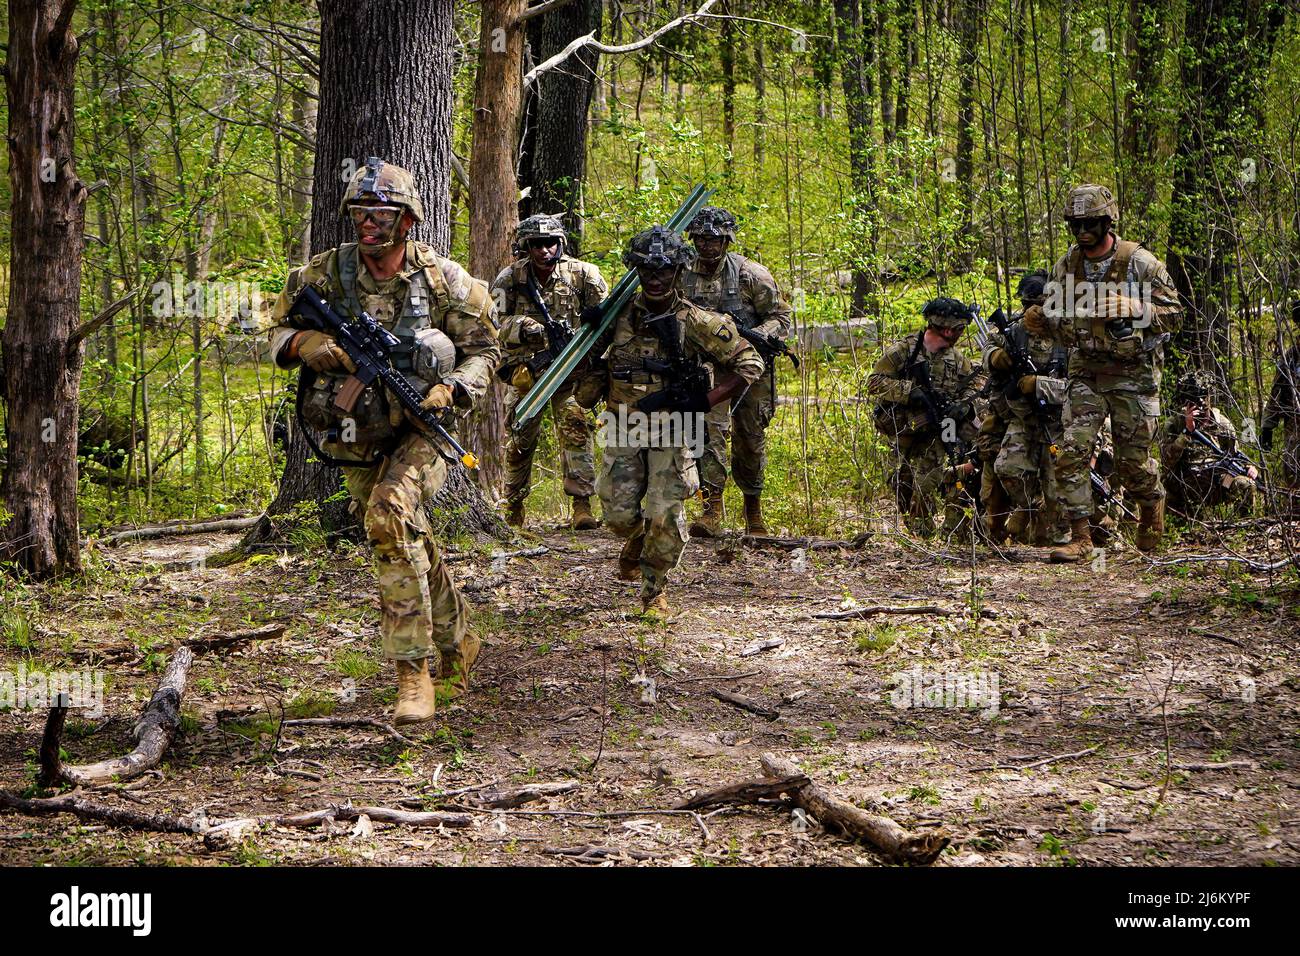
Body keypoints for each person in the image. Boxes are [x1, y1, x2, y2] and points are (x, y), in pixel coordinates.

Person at [267, 158, 501, 726]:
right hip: (358, 432)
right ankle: (459, 640)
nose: (370, 224)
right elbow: (267, 335)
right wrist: (304, 343)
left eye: (383, 214)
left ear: (409, 220)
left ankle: (411, 674)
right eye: (360, 213)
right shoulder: (320, 276)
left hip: (424, 429)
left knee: (388, 516)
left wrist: (455, 387)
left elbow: (488, 351)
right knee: (404, 536)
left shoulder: (445, 280)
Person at [578, 226, 763, 616]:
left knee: (665, 512)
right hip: (623, 425)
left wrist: (705, 399)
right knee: (616, 514)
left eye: (665, 272)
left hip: (676, 429)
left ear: (679, 272)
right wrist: (588, 327)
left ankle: (653, 590)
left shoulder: (696, 321)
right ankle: (638, 539)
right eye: (648, 272)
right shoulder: (618, 313)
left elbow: (750, 363)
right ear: (636, 272)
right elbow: (582, 361)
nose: (656, 279)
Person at [1024, 184, 1182, 561]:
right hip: (1087, 372)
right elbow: (1053, 306)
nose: (1083, 231)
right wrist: (1039, 317)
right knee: (1070, 452)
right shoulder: (1067, 264)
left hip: (1134, 375)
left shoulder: (1141, 264)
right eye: (1076, 223)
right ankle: (1081, 537)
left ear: (1107, 221)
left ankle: (1150, 505)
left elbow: (1176, 316)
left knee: (1132, 463)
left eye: (1090, 222)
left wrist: (1134, 306)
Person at [678, 206, 793, 536]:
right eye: (700, 239)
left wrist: (757, 335)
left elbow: (781, 318)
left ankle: (753, 511)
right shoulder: (683, 272)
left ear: (727, 241)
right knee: (709, 434)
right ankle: (711, 509)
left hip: (750, 367)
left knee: (750, 439)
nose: (707, 246)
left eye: (714, 239)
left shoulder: (751, 274)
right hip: (706, 367)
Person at [492, 215, 608, 530]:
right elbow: (491, 323)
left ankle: (582, 506)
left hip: (572, 373)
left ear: (560, 244)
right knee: (519, 439)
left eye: (550, 243)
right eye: (536, 245)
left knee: (576, 430)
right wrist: (524, 327)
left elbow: (609, 324)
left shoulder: (584, 275)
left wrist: (593, 329)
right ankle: (513, 507)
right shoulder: (510, 279)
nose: (544, 251)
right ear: (525, 247)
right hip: (528, 373)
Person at [869, 298, 985, 539]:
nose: (961, 334)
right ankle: (918, 530)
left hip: (940, 429)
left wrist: (963, 405)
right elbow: (874, 382)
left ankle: (938, 532)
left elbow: (975, 381)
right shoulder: (904, 352)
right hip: (904, 429)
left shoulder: (955, 358)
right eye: (960, 329)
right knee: (901, 482)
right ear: (947, 329)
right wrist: (910, 392)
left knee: (932, 477)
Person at [983, 271, 1071, 545]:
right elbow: (989, 346)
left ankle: (1062, 538)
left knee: (1058, 486)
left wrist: (1038, 385)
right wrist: (994, 357)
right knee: (1007, 468)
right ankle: (1029, 505)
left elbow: (1078, 388)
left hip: (1058, 423)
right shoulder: (1015, 331)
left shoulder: (1069, 336)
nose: (1032, 312)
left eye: (1040, 305)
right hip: (1021, 418)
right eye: (1027, 305)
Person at [1161, 370, 1258, 516]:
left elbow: (1234, 456)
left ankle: (1246, 530)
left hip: (1218, 481)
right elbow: (1166, 461)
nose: (1199, 409)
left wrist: (1249, 467)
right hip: (1184, 483)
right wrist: (1187, 432)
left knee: (1245, 485)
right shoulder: (1174, 424)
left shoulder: (1223, 425)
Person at [1262, 300, 1300, 488]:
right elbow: (1276, 391)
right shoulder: (1291, 357)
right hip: (1294, 425)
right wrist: (1267, 426)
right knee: (1292, 474)